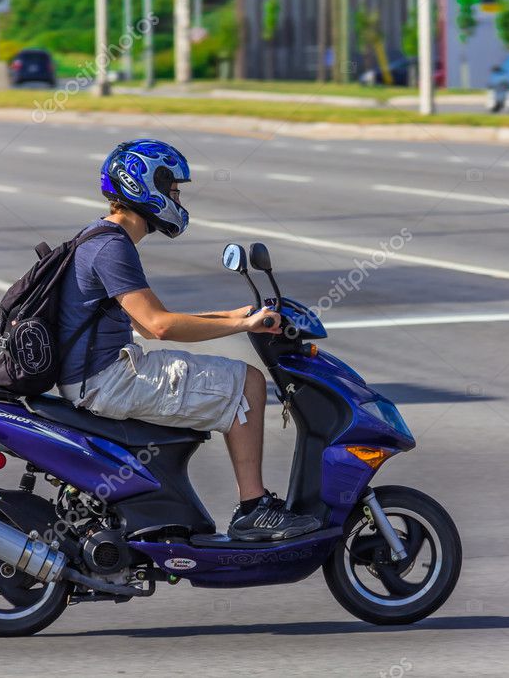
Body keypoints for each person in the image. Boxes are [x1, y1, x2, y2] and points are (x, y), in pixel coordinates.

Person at [57, 139, 320, 542]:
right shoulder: (112, 247)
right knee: (247, 383)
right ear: (145, 185)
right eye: (173, 189)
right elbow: (159, 326)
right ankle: (254, 508)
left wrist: (236, 316)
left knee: (228, 377)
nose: (177, 198)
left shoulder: (102, 237)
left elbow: (147, 326)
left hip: (96, 374)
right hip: (106, 379)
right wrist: (242, 328)